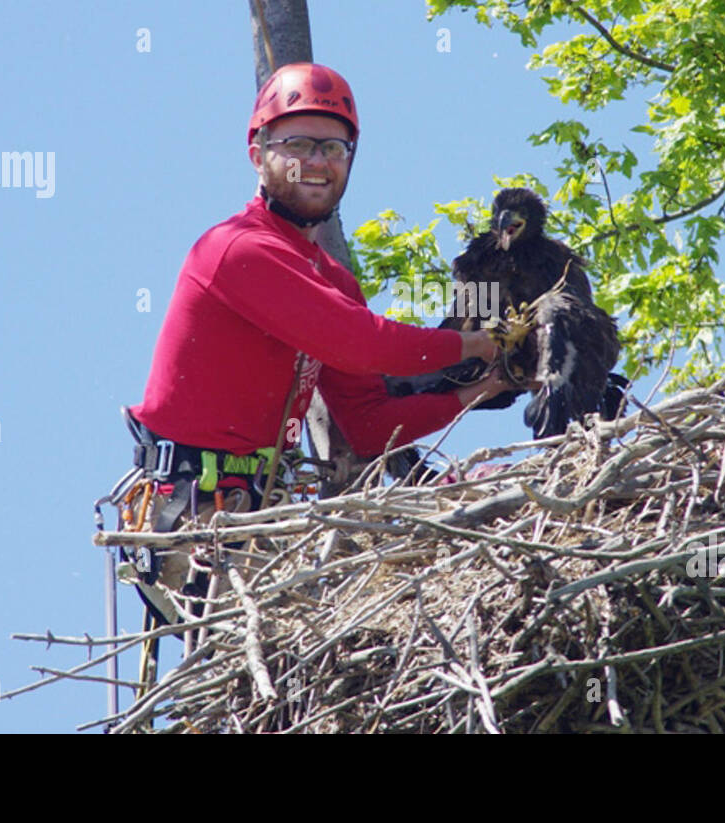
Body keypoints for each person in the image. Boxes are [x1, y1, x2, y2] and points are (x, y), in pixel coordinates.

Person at [118, 62, 511, 624]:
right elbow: (362, 344)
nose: (319, 162)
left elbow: (370, 423)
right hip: (196, 517)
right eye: (298, 144)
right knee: (309, 660)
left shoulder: (331, 279)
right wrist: (475, 345)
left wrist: (489, 387)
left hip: (261, 517)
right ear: (257, 153)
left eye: (335, 148)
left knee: (366, 640)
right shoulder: (235, 250)